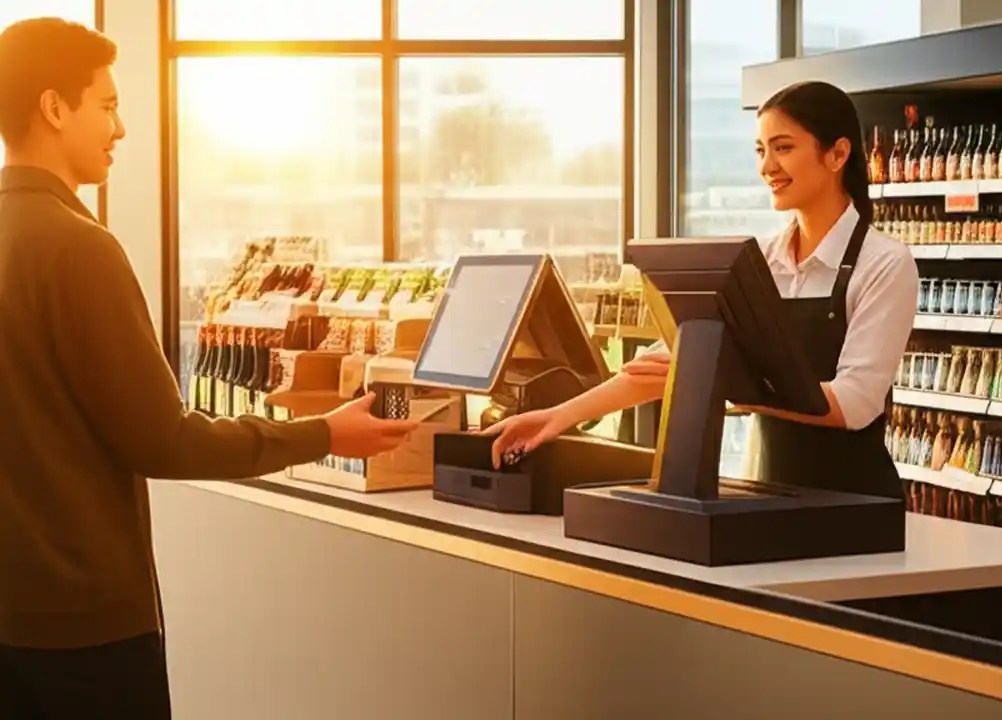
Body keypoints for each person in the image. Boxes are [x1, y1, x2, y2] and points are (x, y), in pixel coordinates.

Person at [0, 18, 420, 719]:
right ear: (53, 108)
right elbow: (163, 439)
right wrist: (322, 435)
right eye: (105, 105)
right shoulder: (80, 250)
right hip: (84, 636)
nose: (122, 128)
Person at [487, 80, 918, 498]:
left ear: (838, 153)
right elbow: (665, 362)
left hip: (858, 508)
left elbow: (854, 403)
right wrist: (556, 418)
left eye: (783, 147)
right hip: (768, 494)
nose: (767, 166)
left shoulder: (884, 264)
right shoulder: (759, 261)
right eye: (761, 150)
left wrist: (724, 380)